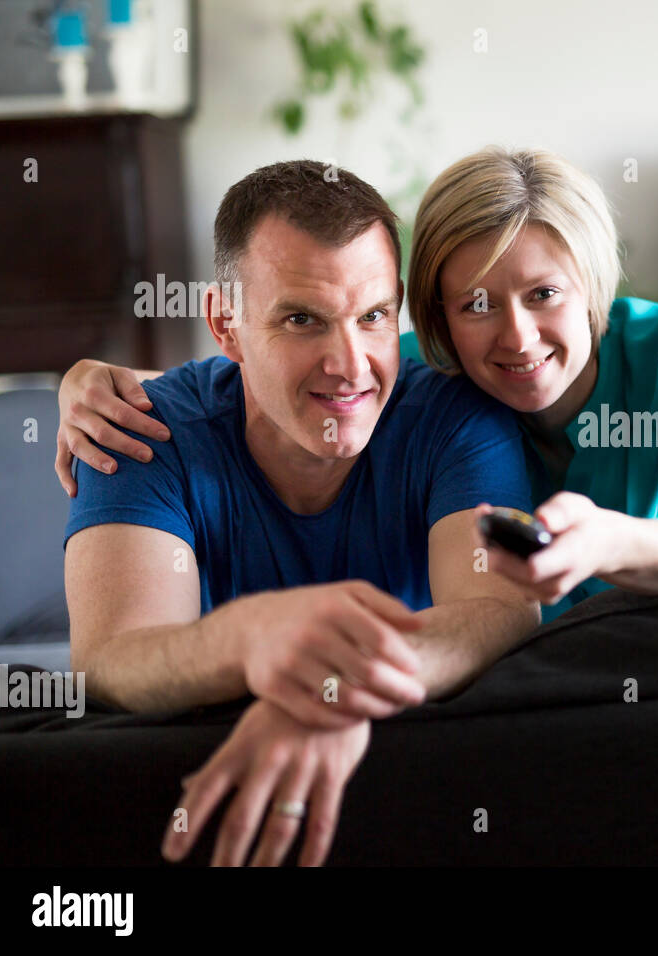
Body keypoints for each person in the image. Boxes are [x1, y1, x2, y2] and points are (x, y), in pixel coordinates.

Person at [57, 146, 658, 624]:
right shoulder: (421, 371)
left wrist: (607, 541)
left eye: (544, 294)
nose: (517, 338)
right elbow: (277, 373)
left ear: (593, 285)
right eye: (477, 304)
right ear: (435, 317)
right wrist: (101, 385)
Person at [63, 160, 541, 866]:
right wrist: (252, 638)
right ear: (226, 325)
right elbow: (109, 659)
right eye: (301, 320)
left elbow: (499, 609)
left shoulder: (456, 419)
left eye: (373, 317)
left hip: (405, 781)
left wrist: (334, 683)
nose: (351, 365)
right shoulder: (135, 427)